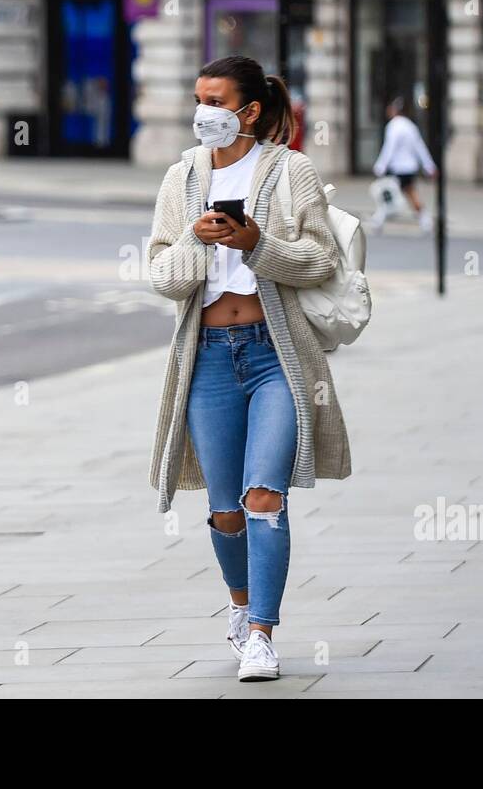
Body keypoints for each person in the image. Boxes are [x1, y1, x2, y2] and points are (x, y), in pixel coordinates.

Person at [146, 55, 352, 682]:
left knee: (264, 496)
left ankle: (263, 632)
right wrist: (199, 240)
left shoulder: (292, 171)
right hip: (207, 360)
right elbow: (162, 275)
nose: (201, 111)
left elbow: (319, 261)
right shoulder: (181, 178)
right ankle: (239, 608)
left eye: (215, 100)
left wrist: (256, 245)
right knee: (225, 508)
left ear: (249, 110)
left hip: (275, 356)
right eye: (197, 98)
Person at [370, 96, 437, 231]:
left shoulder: (393, 126)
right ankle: (425, 221)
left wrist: (380, 165)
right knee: (409, 194)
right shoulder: (410, 126)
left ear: (395, 110)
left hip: (398, 168)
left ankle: (378, 221)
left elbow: (389, 147)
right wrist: (429, 166)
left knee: (389, 194)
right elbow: (420, 147)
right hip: (409, 167)